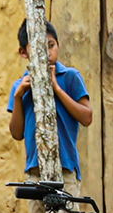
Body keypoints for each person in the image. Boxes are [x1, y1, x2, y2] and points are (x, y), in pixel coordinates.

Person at [8, 20, 92, 185]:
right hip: (35, 172)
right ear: (23, 52)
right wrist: (18, 98)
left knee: (65, 211)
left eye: (50, 45)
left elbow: (87, 117)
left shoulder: (70, 77)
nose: (46, 53)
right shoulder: (20, 87)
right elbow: (17, 134)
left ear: (58, 45)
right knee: (40, 212)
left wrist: (57, 89)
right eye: (38, 48)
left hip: (65, 170)